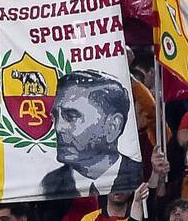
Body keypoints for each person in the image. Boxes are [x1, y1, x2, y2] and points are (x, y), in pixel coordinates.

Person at [40, 70, 143, 199]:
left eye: (71, 116)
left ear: (112, 126)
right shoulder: (48, 185)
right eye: (55, 117)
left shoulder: (139, 176)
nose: (59, 127)